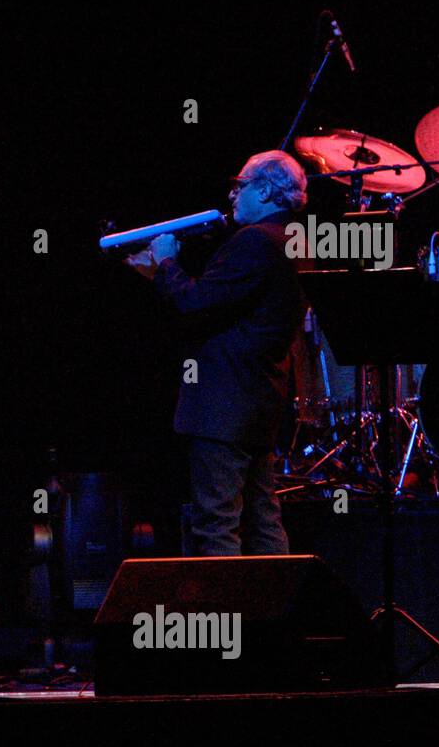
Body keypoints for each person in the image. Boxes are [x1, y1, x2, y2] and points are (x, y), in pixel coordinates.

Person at [126, 150, 309, 555]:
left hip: (225, 405)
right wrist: (160, 273)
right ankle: (280, 613)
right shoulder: (293, 241)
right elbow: (222, 304)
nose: (232, 196)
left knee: (217, 521)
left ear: (264, 190)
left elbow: (195, 305)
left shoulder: (254, 241)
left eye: (239, 186)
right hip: (259, 400)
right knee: (263, 520)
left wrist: (168, 260)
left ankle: (231, 616)